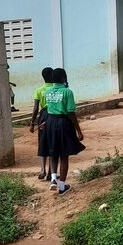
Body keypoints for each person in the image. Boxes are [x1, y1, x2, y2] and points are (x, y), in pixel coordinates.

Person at [44, 67, 85, 195]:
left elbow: (49, 108)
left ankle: (53, 179)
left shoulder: (47, 91)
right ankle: (62, 187)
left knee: (53, 152)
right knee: (64, 154)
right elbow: (71, 113)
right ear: (63, 78)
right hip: (63, 123)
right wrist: (79, 130)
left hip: (50, 122)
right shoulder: (67, 92)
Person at [29, 66, 54, 180]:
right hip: (54, 114)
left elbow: (35, 109)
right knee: (53, 143)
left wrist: (32, 123)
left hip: (43, 115)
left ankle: (42, 170)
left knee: (42, 143)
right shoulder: (55, 89)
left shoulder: (38, 90)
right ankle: (50, 172)